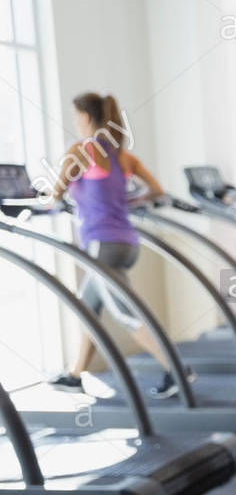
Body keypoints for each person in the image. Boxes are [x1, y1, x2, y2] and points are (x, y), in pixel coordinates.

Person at [45, 92, 192, 399]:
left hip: (103, 244)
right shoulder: (122, 155)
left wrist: (52, 202)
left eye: (76, 116)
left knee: (126, 315)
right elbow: (156, 190)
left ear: (85, 117)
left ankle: (178, 370)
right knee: (88, 306)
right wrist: (127, 200)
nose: (75, 122)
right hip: (127, 242)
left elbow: (55, 194)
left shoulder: (81, 151)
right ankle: (75, 374)